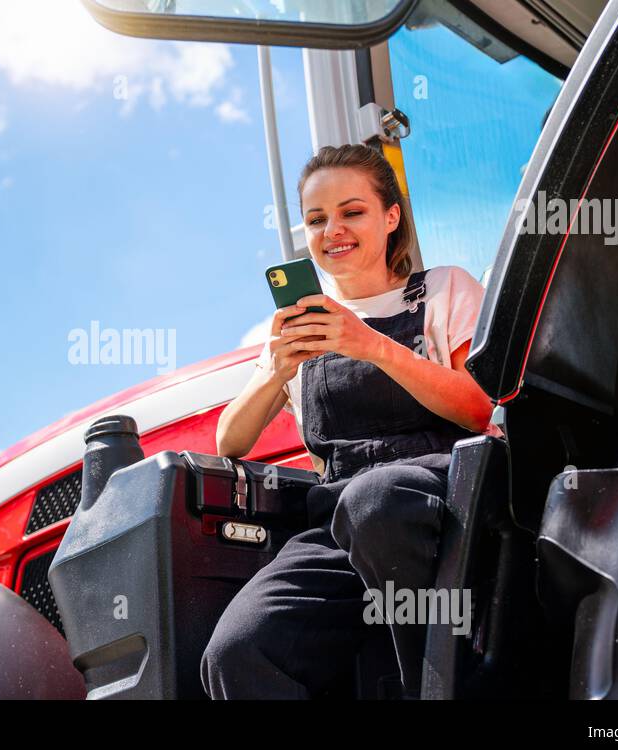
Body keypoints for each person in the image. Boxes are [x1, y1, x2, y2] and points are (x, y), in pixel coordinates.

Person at [201, 143, 495, 699]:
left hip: (445, 497)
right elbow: (229, 441)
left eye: (351, 211)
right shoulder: (294, 327)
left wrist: (372, 345)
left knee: (376, 500)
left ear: (391, 216)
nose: (332, 229)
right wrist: (274, 372)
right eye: (317, 219)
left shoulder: (443, 290)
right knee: (239, 651)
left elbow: (479, 406)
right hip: (339, 521)